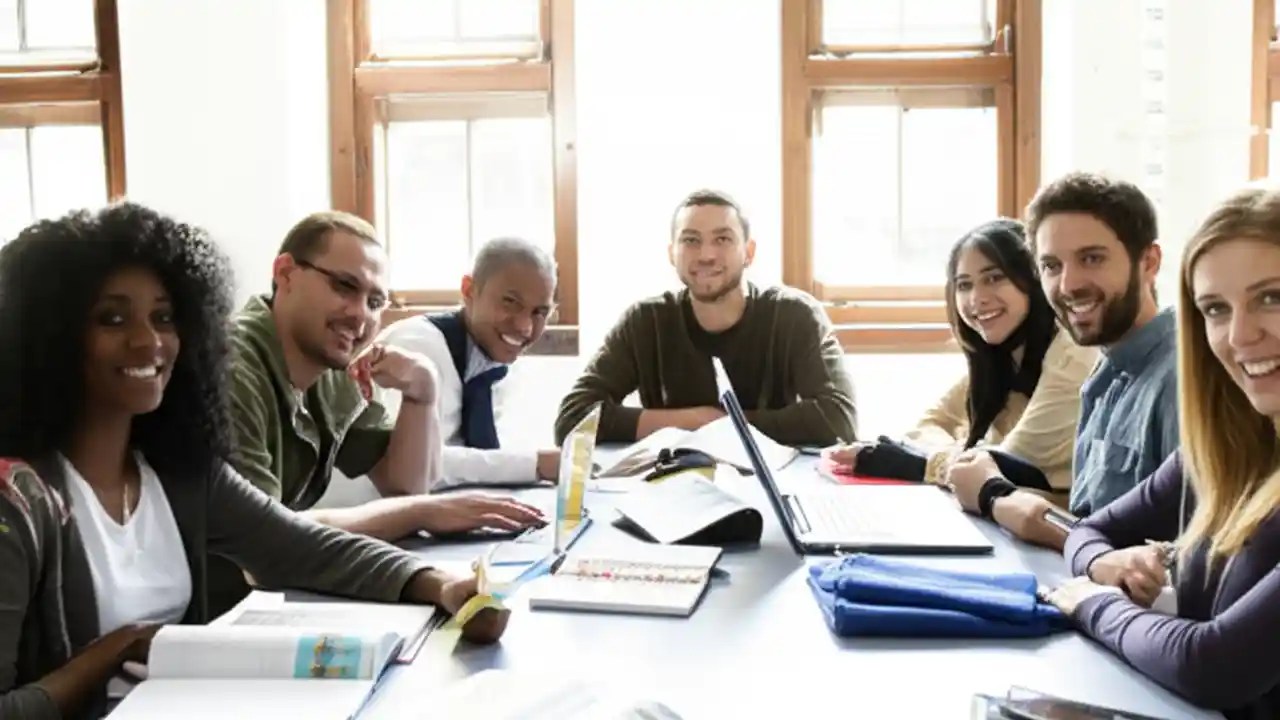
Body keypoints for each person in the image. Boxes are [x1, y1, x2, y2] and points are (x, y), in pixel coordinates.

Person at [0, 205, 506, 720]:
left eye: (165, 317)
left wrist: (440, 584)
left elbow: (298, 547)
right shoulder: (17, 501)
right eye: (112, 318)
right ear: (51, 333)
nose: (148, 341)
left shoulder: (178, 471)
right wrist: (116, 649)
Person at [221, 211, 542, 613]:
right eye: (344, 287)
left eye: (375, 302)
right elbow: (267, 541)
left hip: (268, 598)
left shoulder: (328, 369)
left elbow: (403, 485)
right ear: (285, 274)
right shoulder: (230, 370)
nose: (360, 316)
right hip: (204, 618)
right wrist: (423, 514)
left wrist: (422, 391)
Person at [1047, 186, 1280, 719]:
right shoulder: (1228, 448)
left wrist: (1093, 602)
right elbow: (1086, 531)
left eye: (1272, 297)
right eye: (1216, 309)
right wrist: (1104, 564)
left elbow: (1215, 665)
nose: (1240, 335)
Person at [947, 173, 1177, 550]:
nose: (1068, 285)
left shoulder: (1181, 379)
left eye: (1092, 258)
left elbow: (1168, 565)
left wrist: (997, 497)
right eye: (1052, 266)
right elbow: (1092, 529)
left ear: (1149, 262)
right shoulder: (1106, 373)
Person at [554, 189, 856, 447]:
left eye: (723, 239)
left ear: (748, 252)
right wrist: (698, 421)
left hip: (769, 486)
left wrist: (719, 426)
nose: (706, 255)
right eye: (691, 241)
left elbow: (838, 420)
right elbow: (573, 419)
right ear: (672, 253)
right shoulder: (645, 322)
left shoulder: (795, 315)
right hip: (670, 487)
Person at [822, 219, 1096, 494]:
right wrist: (954, 455)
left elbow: (1005, 469)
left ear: (1032, 278)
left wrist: (917, 463)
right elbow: (927, 426)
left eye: (994, 278)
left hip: (1070, 528)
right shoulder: (1001, 357)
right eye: (964, 285)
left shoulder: (1072, 353)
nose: (977, 298)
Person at [377, 237, 561, 489]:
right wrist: (534, 465)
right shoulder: (416, 347)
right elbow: (414, 463)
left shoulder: (499, 361)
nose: (524, 327)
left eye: (539, 312)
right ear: (468, 290)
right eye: (510, 302)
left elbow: (492, 454)